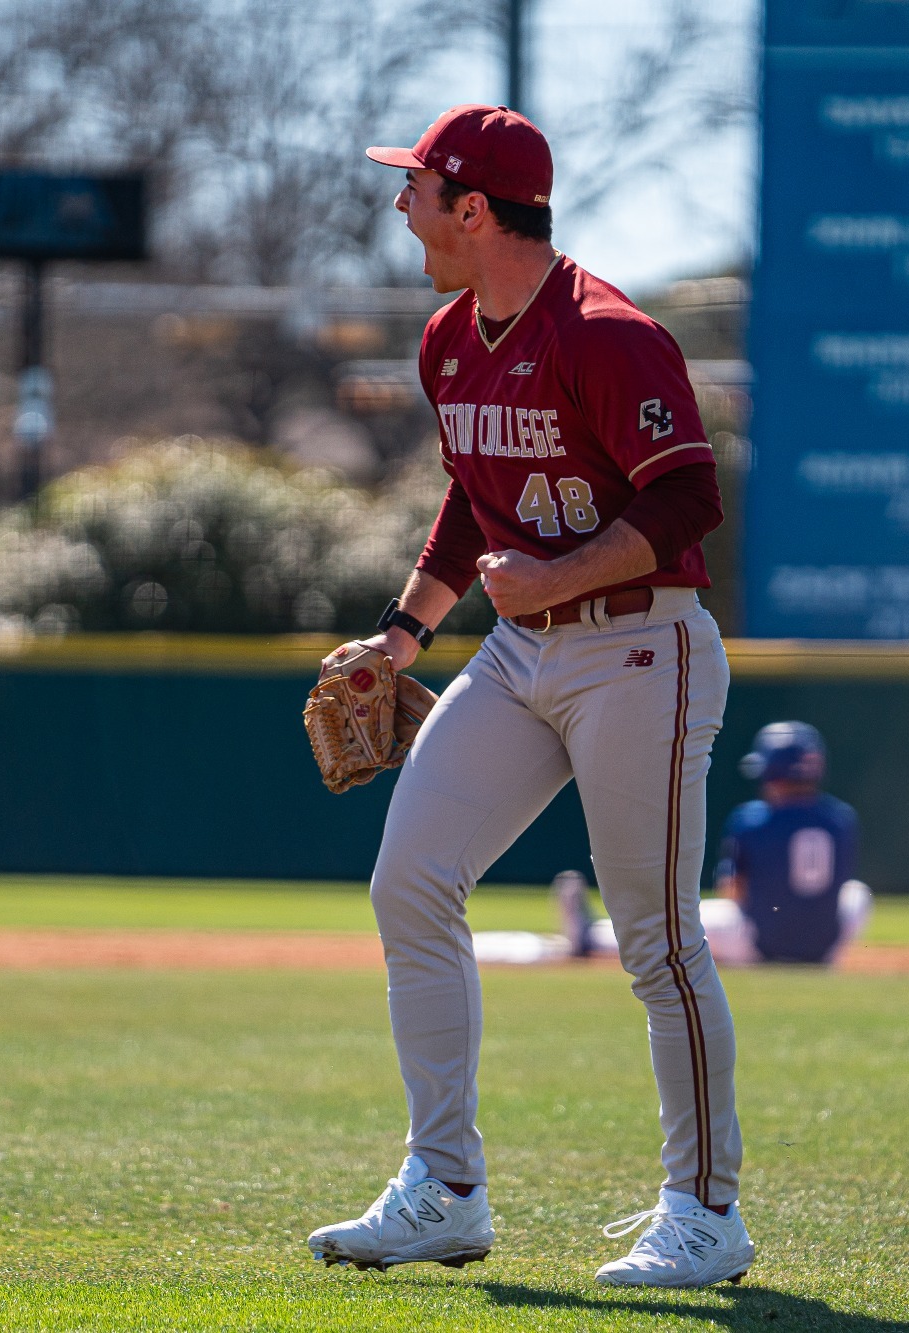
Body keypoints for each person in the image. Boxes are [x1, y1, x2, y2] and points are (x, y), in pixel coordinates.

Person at [306, 104, 751, 1289]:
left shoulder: (606, 333)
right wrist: (405, 631)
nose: (400, 203)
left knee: (655, 941)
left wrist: (550, 576)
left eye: (417, 186)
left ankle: (705, 1210)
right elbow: (471, 493)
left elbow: (685, 504)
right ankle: (443, 1187)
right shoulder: (450, 337)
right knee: (409, 880)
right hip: (517, 654)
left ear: (474, 207)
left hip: (636, 651)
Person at [565, 723, 870, 967]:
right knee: (858, 893)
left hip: (757, 947)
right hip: (825, 951)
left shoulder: (752, 819)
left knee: (689, 919)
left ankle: (593, 938)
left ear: (773, 773)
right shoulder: (842, 819)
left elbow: (732, 890)